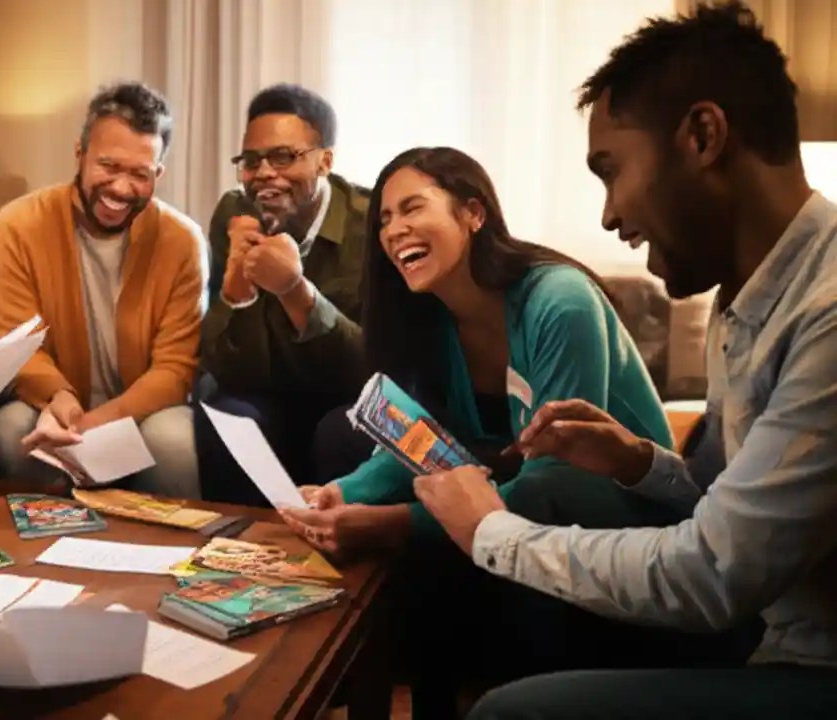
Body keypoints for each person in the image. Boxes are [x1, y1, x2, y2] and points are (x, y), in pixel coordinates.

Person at [412, 3, 837, 718]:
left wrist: (491, 533)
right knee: (553, 496)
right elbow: (737, 509)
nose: (609, 215)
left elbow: (713, 571)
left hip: (814, 660)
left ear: (703, 136)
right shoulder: (744, 296)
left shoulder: (826, 314)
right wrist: (640, 462)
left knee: (509, 714)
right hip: (768, 614)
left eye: (612, 172)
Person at [277, 146, 698, 716]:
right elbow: (420, 444)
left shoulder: (559, 300)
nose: (394, 230)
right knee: (379, 490)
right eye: (385, 219)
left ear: (474, 213)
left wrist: (394, 523)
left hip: (624, 511)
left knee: (491, 511)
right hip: (525, 497)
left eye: (412, 208)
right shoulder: (432, 317)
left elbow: (552, 481)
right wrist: (341, 494)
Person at [0, 82, 206, 499]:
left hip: (142, 416)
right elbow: (16, 340)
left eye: (139, 174)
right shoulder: (18, 224)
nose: (121, 188)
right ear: (80, 154)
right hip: (54, 403)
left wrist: (93, 425)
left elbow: (174, 370)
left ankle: (164, 542)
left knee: (175, 439)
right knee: (12, 427)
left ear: (158, 174)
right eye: (108, 166)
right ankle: (46, 540)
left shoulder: (183, 241)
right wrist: (60, 399)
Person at [195, 84, 373, 504]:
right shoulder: (234, 213)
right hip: (270, 391)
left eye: (282, 157)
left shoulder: (371, 224)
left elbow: (375, 370)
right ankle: (238, 541)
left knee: (343, 431)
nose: (263, 174)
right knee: (228, 415)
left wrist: (296, 292)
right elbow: (221, 366)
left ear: (325, 161)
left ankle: (337, 544)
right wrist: (237, 293)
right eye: (251, 161)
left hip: (347, 395)